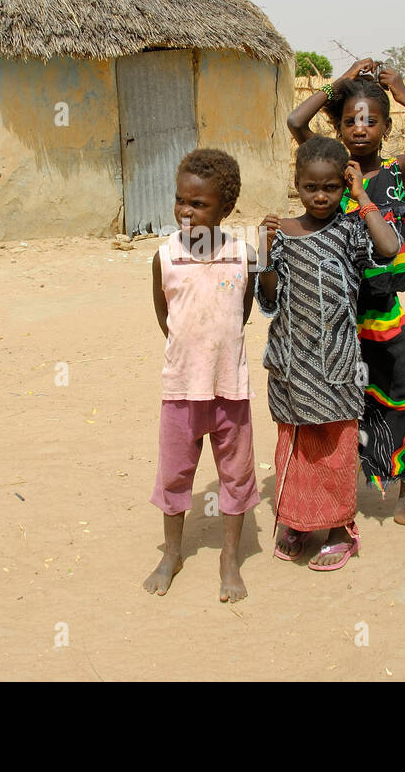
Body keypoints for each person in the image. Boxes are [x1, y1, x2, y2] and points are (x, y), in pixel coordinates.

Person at [287, 57, 405, 526]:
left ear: (386, 125)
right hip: (339, 312)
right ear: (338, 126)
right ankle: (335, 503)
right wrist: (340, 82)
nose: (360, 128)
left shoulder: (395, 170)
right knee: (342, 404)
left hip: (384, 306)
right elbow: (294, 120)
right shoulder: (332, 168)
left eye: (371, 119)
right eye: (350, 120)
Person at [256, 136, 402, 571]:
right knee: (297, 446)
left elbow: (390, 249)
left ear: (344, 185)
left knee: (336, 446)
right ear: (296, 185)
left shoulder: (349, 228)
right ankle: (298, 522)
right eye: (310, 188)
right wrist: (264, 252)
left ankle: (339, 528)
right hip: (290, 361)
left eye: (331, 188)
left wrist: (362, 198)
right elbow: (267, 300)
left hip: (338, 361)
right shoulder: (282, 232)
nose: (320, 197)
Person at [144, 149, 258, 603]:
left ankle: (229, 559)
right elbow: (164, 316)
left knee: (236, 475)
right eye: (180, 201)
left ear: (225, 209)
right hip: (180, 389)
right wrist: (190, 358)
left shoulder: (242, 256)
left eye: (199, 204)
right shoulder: (164, 258)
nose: (186, 211)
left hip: (230, 387)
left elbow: (242, 313)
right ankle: (172, 553)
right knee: (174, 474)